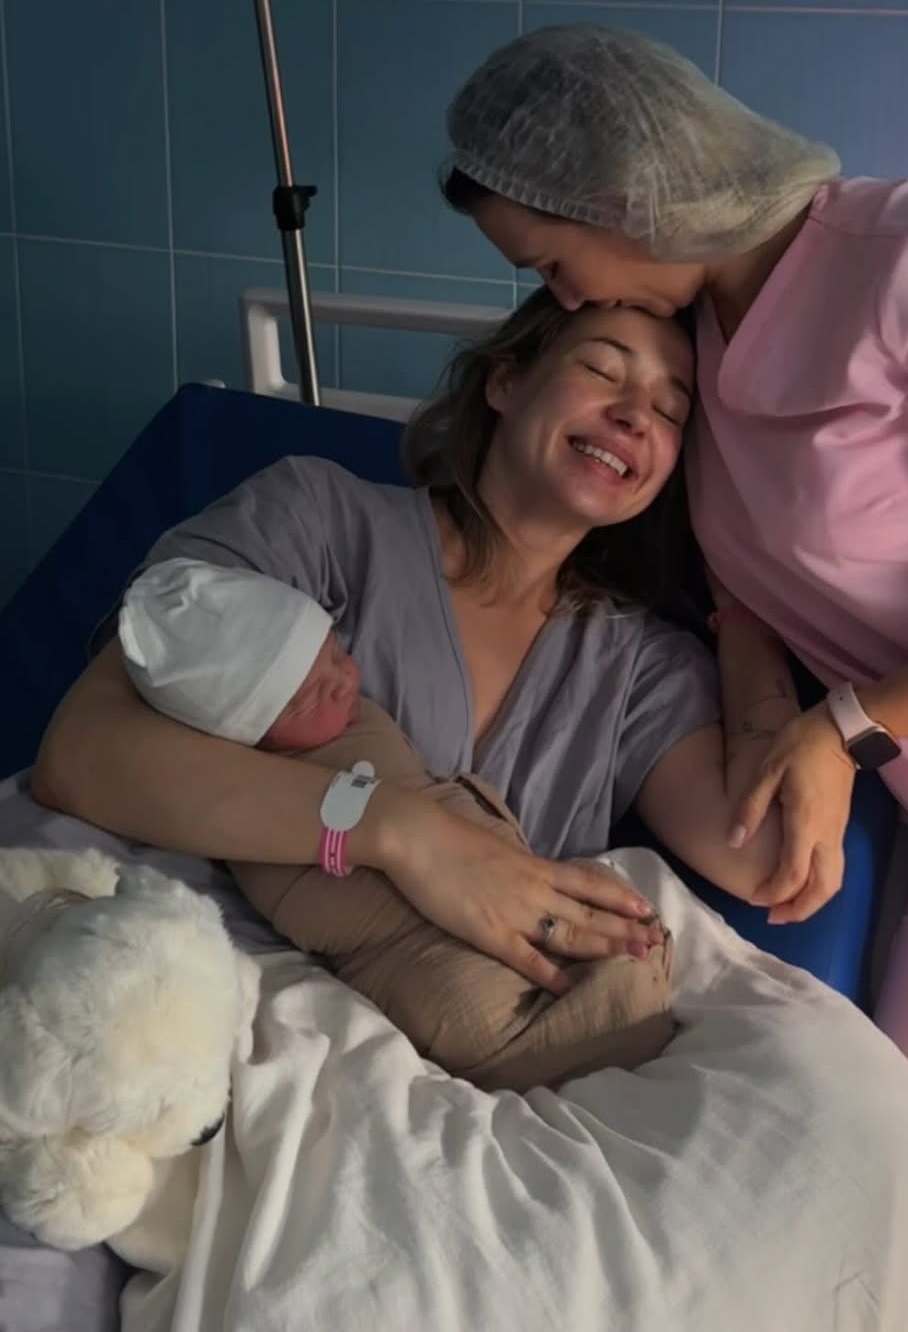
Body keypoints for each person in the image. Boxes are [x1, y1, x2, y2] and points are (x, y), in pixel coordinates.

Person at [439, 20, 908, 1332]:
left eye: (551, 260)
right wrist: (765, 707)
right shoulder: (693, 354)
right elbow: (748, 582)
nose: (562, 297)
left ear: (623, 197)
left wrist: (850, 728)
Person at [32, 295, 782, 1019]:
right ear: (505, 381)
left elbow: (766, 858)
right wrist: (403, 834)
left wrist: (743, 601)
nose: (634, 415)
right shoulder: (319, 521)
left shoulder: (639, 668)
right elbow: (81, 757)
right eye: (602, 370)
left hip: (426, 1039)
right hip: (166, 969)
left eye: (670, 411)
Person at [117, 556, 675, 1092]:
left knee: (606, 897)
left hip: (500, 878)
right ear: (245, 734)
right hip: (419, 960)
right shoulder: (253, 818)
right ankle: (597, 1023)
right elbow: (308, 904)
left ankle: (618, 992)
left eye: (336, 652)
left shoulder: (352, 718)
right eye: (312, 692)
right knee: (474, 1006)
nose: (348, 677)